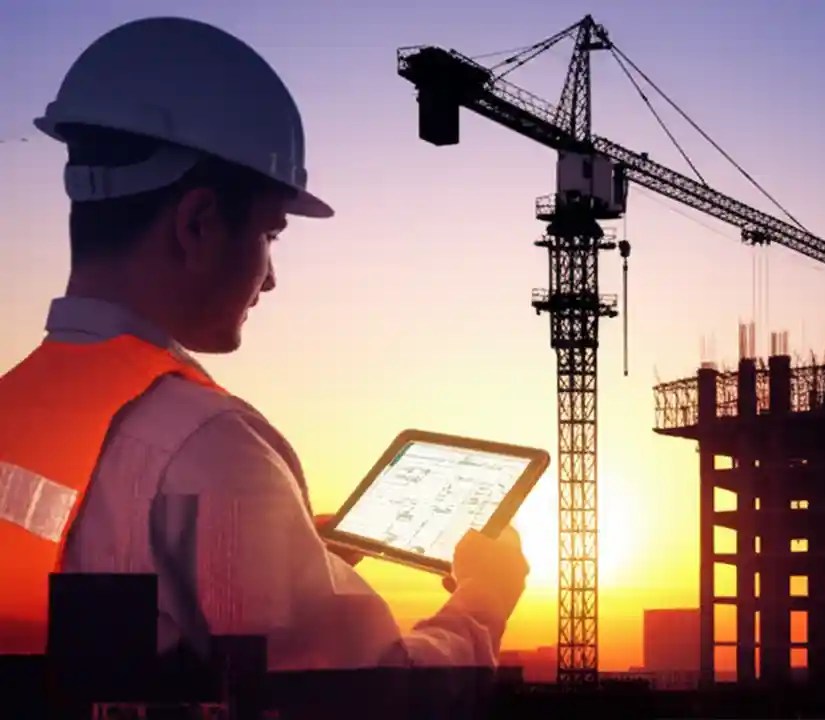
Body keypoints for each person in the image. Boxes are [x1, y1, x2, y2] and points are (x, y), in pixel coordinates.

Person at [0, 14, 529, 688]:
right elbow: (375, 698)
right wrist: (484, 603)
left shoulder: (16, 406)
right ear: (197, 224)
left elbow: (101, 583)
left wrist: (277, 548)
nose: (271, 276)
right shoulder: (205, 445)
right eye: (270, 234)